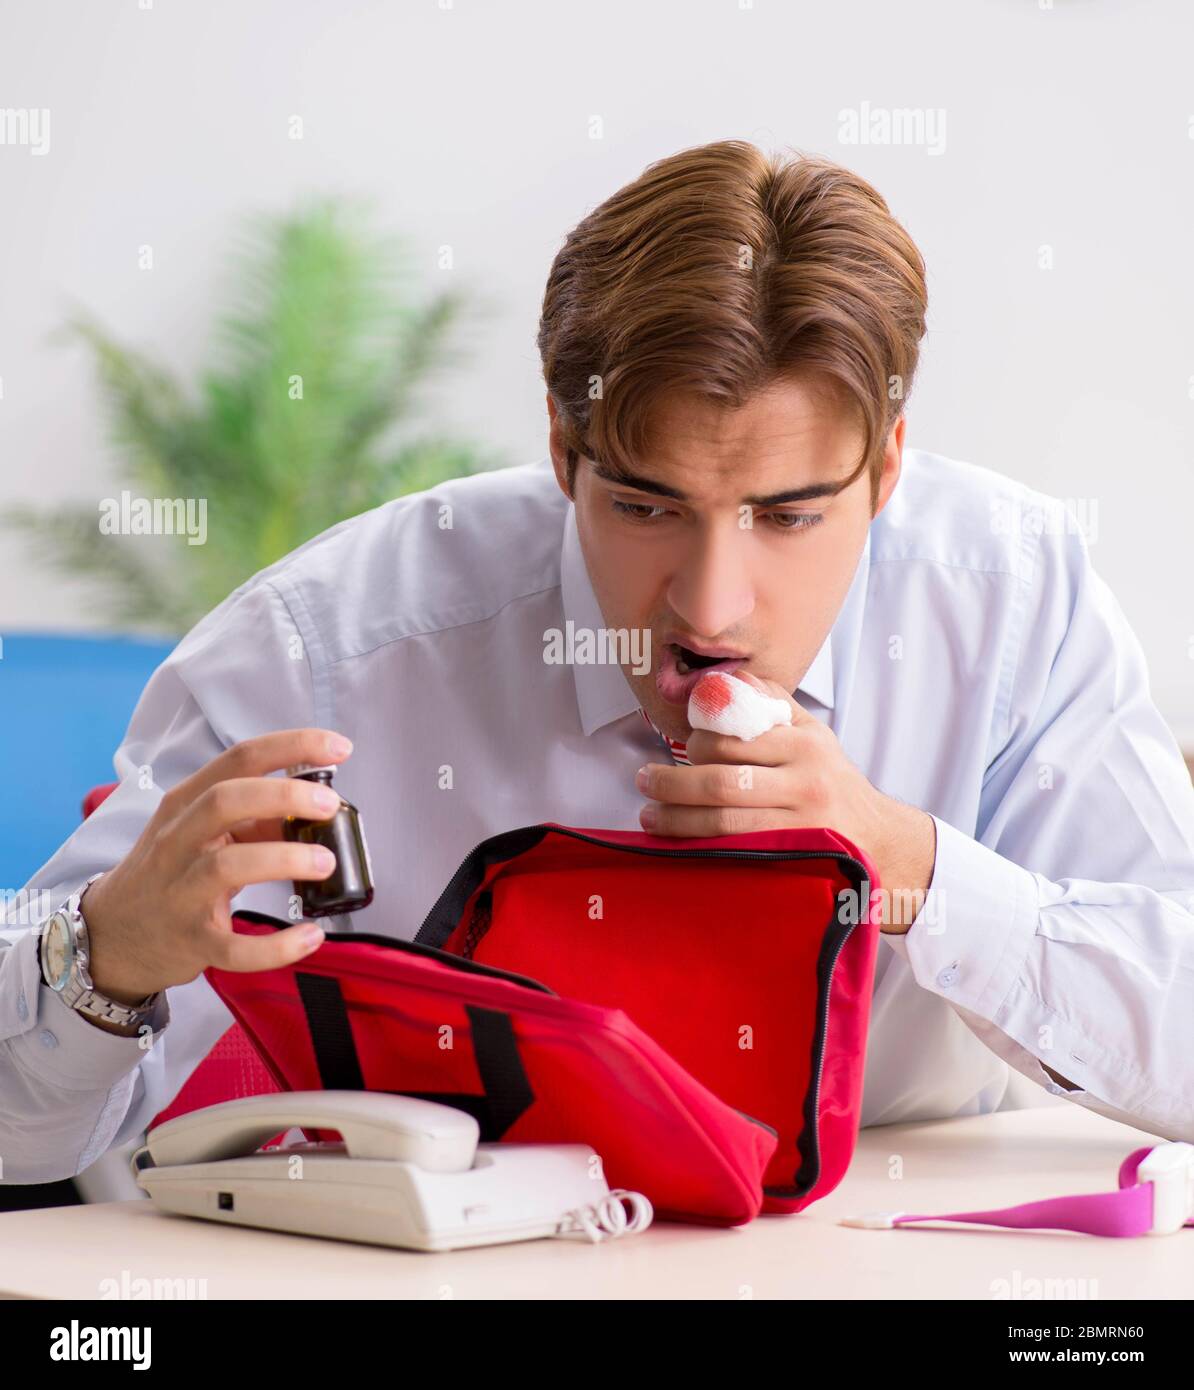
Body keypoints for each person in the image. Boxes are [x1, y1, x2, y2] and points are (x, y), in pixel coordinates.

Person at [4, 140, 1192, 1186]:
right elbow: (23, 1143)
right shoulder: (327, 646)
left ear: (885, 470)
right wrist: (107, 951)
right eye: (645, 504)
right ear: (566, 449)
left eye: (786, 516)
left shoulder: (1012, 602)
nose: (711, 605)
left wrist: (918, 867)